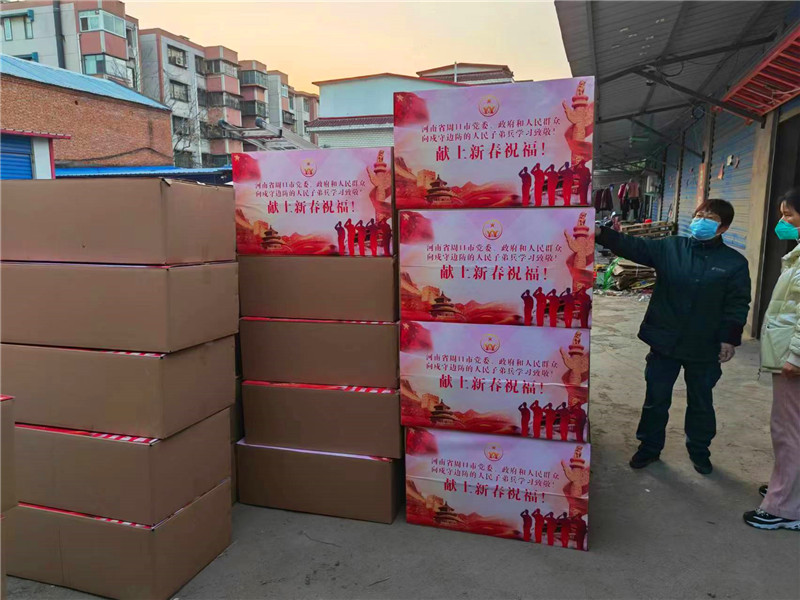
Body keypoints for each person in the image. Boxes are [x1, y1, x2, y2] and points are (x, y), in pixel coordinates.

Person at [595, 199, 751, 474]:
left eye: (710, 217)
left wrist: (729, 338)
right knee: (656, 398)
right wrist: (601, 233)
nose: (701, 220)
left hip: (704, 345)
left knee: (701, 402)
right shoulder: (671, 247)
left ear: (723, 228)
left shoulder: (734, 263)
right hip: (664, 339)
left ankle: (699, 451)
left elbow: (738, 303)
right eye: (699, 214)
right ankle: (649, 448)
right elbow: (635, 246)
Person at [744, 188, 800, 530]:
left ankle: (784, 507)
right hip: (790, 354)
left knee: (788, 430)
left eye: (788, 214)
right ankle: (788, 488)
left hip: (793, 361)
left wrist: (795, 355)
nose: (782, 221)